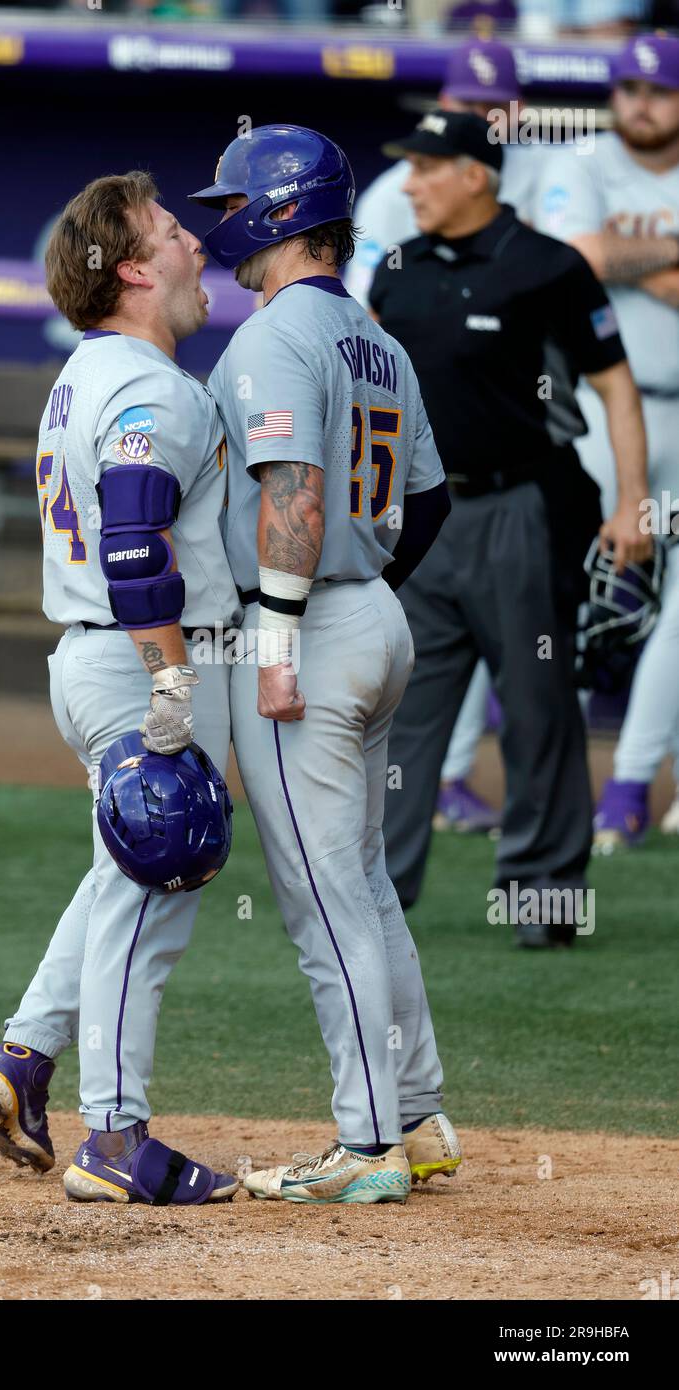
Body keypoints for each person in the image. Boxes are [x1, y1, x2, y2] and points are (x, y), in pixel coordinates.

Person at [189, 125, 461, 1205]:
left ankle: (365, 1141)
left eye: (233, 205)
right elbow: (430, 498)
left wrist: (282, 637)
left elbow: (293, 495)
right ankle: (419, 1112)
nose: (222, 225)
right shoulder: (372, 336)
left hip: (297, 628)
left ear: (277, 211)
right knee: (367, 886)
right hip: (372, 618)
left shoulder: (269, 337)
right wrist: (362, 586)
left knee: (322, 900)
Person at [0, 171, 243, 1206]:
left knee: (119, 875)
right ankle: (116, 1138)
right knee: (153, 893)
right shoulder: (149, 384)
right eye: (173, 232)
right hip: (143, 659)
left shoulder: (89, 373)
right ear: (131, 268)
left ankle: (25, 1060)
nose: (194, 245)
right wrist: (172, 679)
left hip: (95, 655)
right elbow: (133, 542)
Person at [369, 112, 651, 947]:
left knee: (536, 705)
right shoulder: (397, 270)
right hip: (421, 518)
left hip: (524, 508)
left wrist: (633, 498)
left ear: (475, 175)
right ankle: (374, 895)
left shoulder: (547, 266)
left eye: (426, 167)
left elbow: (617, 387)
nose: (411, 184)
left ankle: (543, 895)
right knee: (404, 707)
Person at [345, 38, 533, 838]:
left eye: (490, 110)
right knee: (413, 626)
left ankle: (466, 788)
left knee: (519, 638)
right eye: (461, 106)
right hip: (414, 434)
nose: (474, 121)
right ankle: (410, 798)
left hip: (513, 439)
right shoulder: (398, 194)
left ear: (516, 115)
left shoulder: (539, 174)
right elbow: (360, 323)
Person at [535, 32, 679, 849]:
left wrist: (634, 266)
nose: (642, 103)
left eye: (659, 90)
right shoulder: (583, 160)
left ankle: (628, 785)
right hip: (599, 413)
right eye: (628, 88)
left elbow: (603, 258)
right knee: (575, 601)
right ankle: (497, 784)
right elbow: (578, 253)